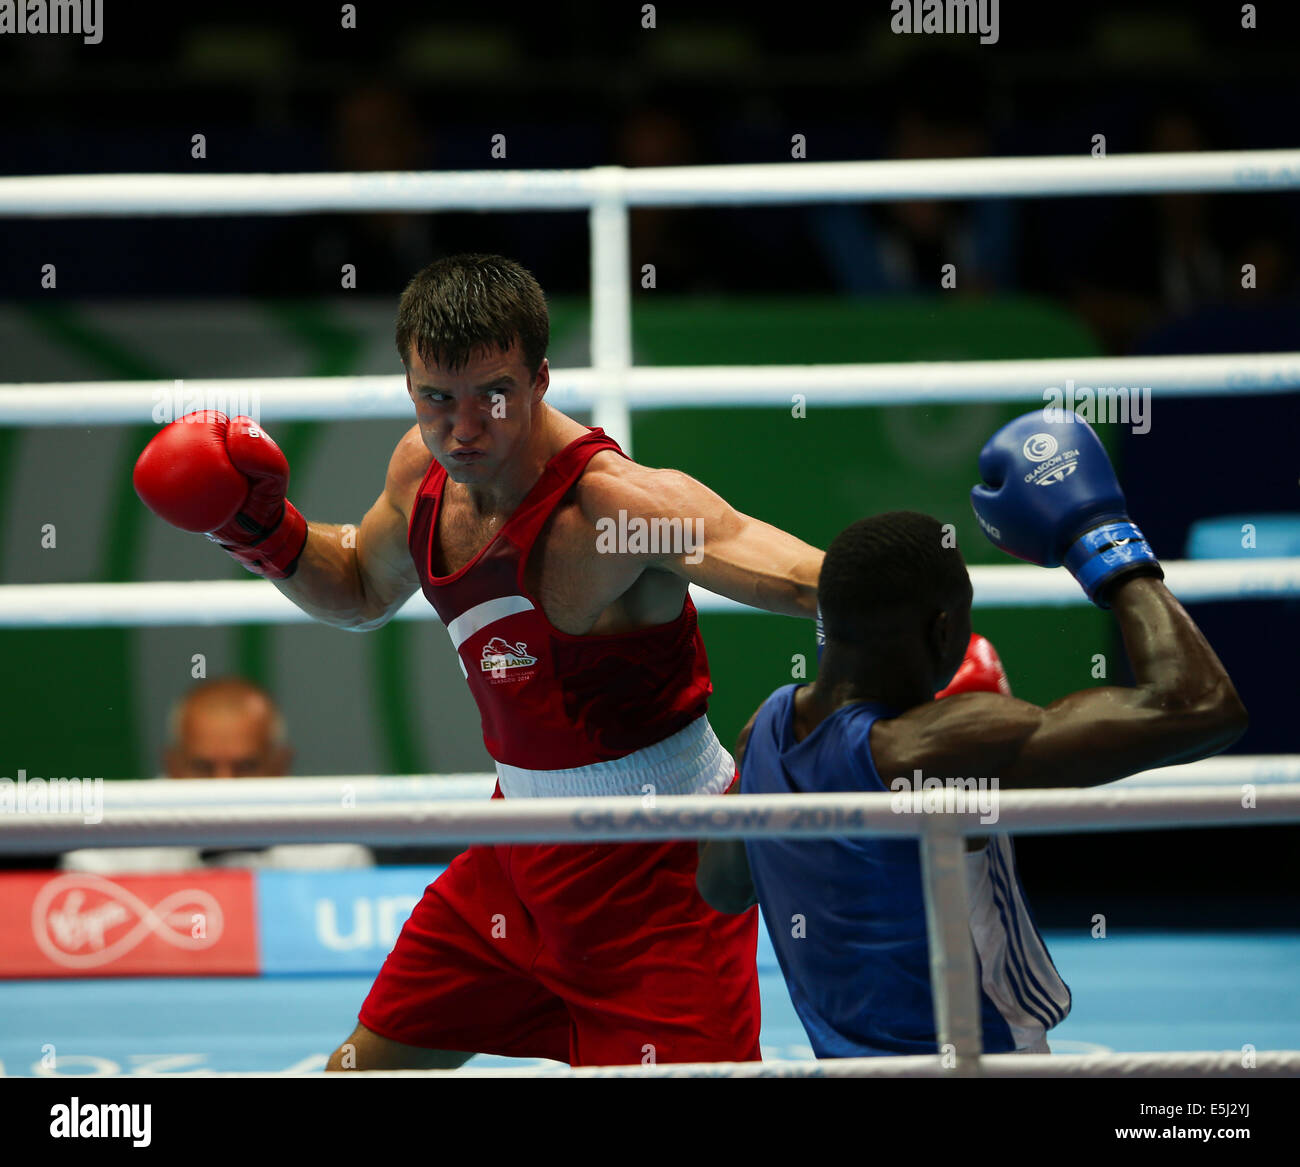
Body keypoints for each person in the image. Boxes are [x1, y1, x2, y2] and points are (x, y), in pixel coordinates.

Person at [132, 253, 825, 1068]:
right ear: (410, 386)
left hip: (659, 880)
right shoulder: (420, 471)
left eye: (494, 395)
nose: (464, 428)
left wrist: (917, 623)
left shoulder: (615, 510)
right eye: (438, 397)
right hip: (514, 854)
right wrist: (261, 530)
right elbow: (358, 587)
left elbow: (806, 579)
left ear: (540, 379)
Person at [697, 412, 1247, 1058]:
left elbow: (721, 887)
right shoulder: (940, 747)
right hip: (984, 1066)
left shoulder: (764, 732)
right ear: (941, 630)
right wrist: (1105, 542)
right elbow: (1202, 705)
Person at [62, 677, 372, 872]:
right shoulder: (111, 847)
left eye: (246, 768)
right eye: (203, 768)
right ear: (172, 767)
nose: (224, 787)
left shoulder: (334, 854)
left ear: (280, 767)